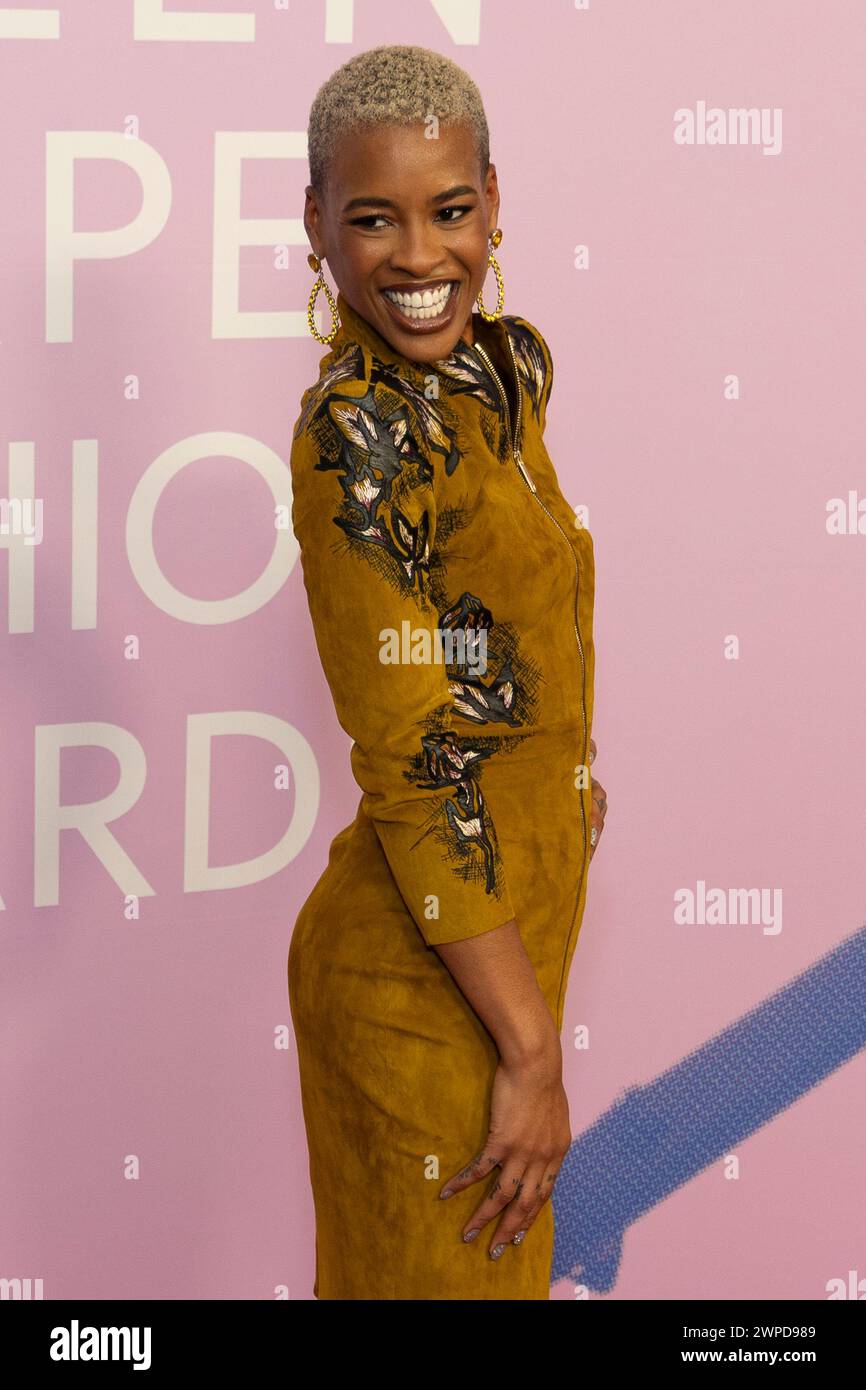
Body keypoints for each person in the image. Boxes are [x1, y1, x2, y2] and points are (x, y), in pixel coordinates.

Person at [287, 43, 607, 1300]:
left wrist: (556, 770)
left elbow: (491, 615)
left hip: (508, 935)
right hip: (417, 989)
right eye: (372, 219)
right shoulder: (352, 439)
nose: (419, 259)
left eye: (448, 211)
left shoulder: (498, 369)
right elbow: (414, 757)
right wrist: (531, 1051)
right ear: (315, 222)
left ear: (491, 198)